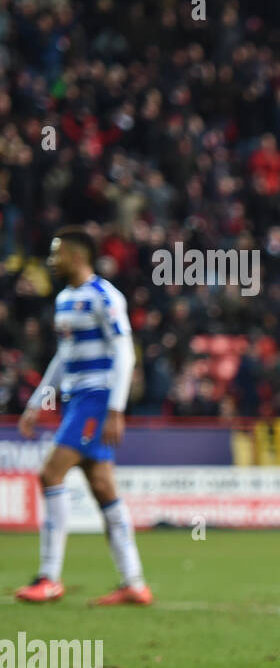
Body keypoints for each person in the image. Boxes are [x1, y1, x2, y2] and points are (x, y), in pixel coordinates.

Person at [16, 227, 152, 606]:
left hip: (96, 399)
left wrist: (115, 410)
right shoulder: (63, 300)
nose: (50, 259)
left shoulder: (104, 296)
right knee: (104, 487)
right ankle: (134, 582)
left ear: (77, 257)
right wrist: (37, 403)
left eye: (56, 253)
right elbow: (62, 359)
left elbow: (125, 352)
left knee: (50, 473)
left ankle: (49, 578)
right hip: (76, 399)